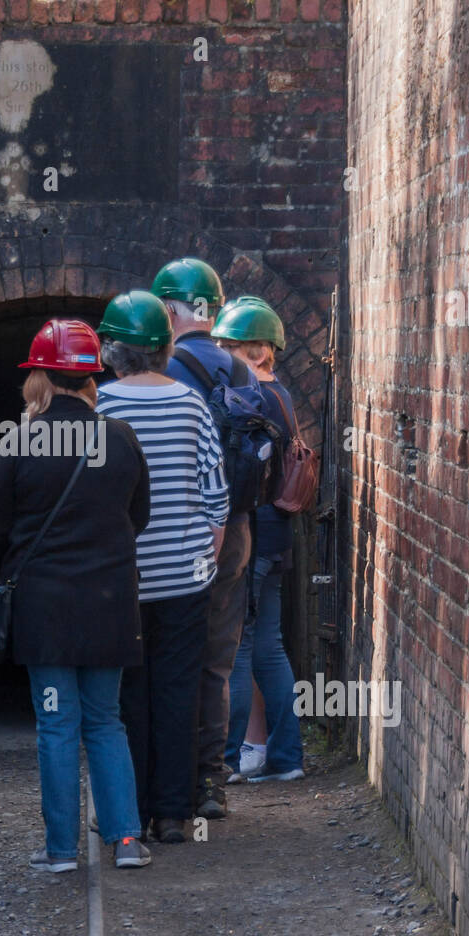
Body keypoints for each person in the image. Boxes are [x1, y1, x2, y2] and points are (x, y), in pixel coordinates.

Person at [0, 319, 151, 871]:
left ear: (40, 379)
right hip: (109, 605)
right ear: (91, 380)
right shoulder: (122, 438)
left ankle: (60, 852)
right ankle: (126, 840)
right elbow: (139, 518)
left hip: (45, 609)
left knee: (56, 724)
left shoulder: (21, 438)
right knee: (105, 720)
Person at [95, 292, 229, 843]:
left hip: (122, 579)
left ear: (114, 351)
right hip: (185, 576)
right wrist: (205, 560)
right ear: (163, 348)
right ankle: (175, 813)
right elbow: (216, 495)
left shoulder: (100, 408)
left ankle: (131, 811)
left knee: (127, 696)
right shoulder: (192, 405)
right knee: (179, 690)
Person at [151, 258, 265, 821]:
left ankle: (162, 781)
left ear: (167, 310)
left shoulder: (162, 369)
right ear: (214, 309)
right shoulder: (243, 372)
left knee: (164, 657)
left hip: (175, 532)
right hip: (237, 528)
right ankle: (209, 783)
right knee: (217, 663)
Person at [212, 297, 305, 781]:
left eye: (230, 346)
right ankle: (286, 758)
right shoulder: (283, 396)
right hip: (278, 531)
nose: (223, 353)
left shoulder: (245, 395)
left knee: (239, 647)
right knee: (269, 644)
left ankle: (227, 760)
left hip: (251, 526)